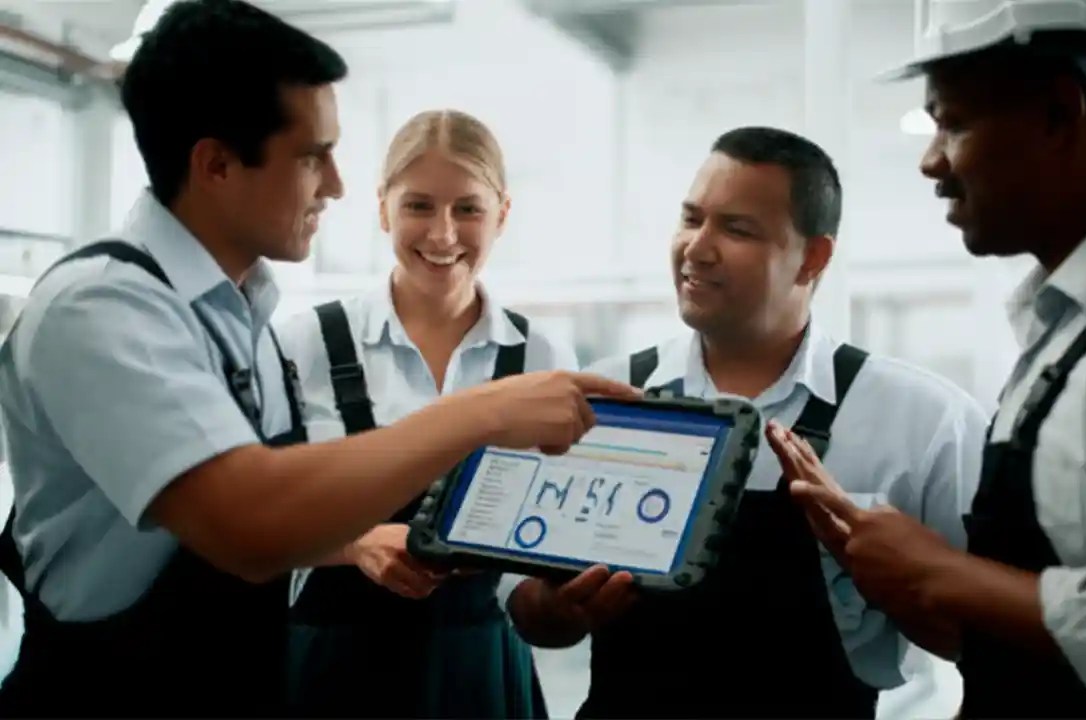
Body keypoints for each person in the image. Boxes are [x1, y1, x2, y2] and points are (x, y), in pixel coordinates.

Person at [0, 2, 635, 717]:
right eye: (312, 156)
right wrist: (481, 412)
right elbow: (248, 525)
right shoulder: (102, 310)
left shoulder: (243, 320)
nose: (333, 184)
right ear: (216, 164)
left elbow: (278, 529)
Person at [770, 1, 1086, 717]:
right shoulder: (1071, 327)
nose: (931, 161)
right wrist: (888, 569)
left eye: (952, 122)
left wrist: (943, 570)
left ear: (1058, 112)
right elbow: (1043, 641)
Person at [507, 126, 988, 719]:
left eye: (736, 229)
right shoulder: (602, 399)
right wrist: (556, 611)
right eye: (691, 218)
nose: (697, 248)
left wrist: (882, 571)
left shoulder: (924, 420)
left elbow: (986, 644)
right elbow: (528, 611)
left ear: (814, 258)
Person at [278, 109, 567, 719]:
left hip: (481, 670)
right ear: (382, 207)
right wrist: (355, 542)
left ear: (502, 215)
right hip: (332, 673)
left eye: (468, 208)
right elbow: (253, 518)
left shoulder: (541, 357)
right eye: (418, 206)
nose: (443, 234)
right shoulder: (303, 344)